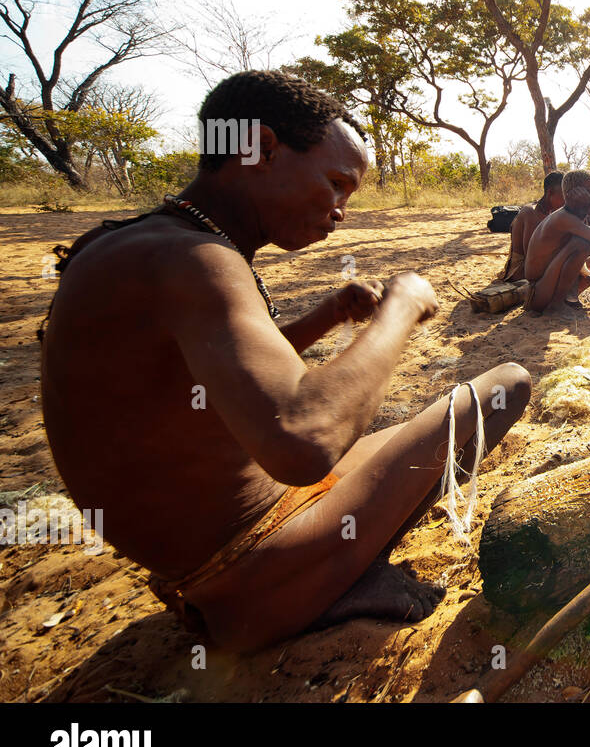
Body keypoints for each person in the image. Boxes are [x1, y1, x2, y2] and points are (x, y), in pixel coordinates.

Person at [39, 70, 532, 652]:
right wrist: (398, 310)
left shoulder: (138, 242)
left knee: (402, 425)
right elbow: (303, 441)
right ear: (263, 149)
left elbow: (223, 385)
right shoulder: (196, 258)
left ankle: (315, 571)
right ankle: (321, 587)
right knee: (507, 384)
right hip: (250, 566)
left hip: (207, 569)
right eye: (337, 183)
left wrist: (323, 319)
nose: (340, 209)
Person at [523, 169, 590, 313]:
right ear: (573, 193)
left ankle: (569, 298)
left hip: (549, 287)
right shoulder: (563, 218)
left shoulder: (580, 216)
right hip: (538, 294)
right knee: (582, 243)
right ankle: (557, 305)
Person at [500, 171, 564, 282]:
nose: (566, 201)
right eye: (564, 196)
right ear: (550, 193)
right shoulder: (531, 213)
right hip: (521, 273)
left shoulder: (551, 212)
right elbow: (531, 256)